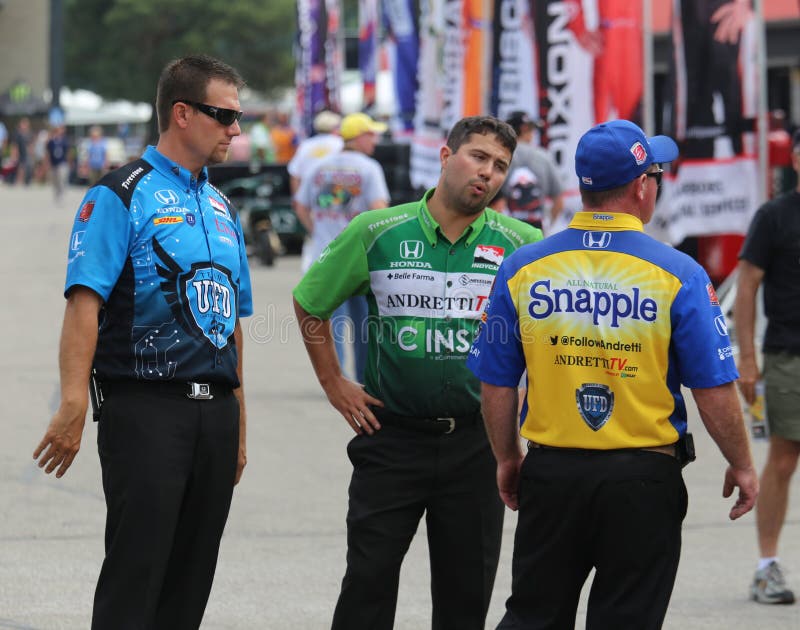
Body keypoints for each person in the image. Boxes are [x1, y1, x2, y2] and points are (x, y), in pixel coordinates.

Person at [468, 119, 759, 628]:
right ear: (641, 186)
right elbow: (713, 389)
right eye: (657, 176)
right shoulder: (679, 273)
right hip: (643, 479)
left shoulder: (522, 267)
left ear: (584, 186)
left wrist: (508, 458)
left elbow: (495, 382)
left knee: (533, 617)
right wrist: (741, 462)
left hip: (552, 472)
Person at [293, 115, 542, 629]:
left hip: (478, 446)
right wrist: (334, 382)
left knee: (465, 596)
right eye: (478, 156)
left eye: (500, 166)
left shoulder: (522, 242)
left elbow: (537, 340)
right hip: (391, 439)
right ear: (446, 157)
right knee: (367, 584)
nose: (487, 173)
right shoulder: (377, 230)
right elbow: (309, 303)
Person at [32, 54, 252, 630]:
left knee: (191, 578)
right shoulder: (120, 193)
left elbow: (232, 324)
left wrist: (240, 423)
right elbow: (84, 303)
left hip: (216, 415)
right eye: (224, 115)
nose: (236, 129)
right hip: (146, 409)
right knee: (138, 576)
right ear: (182, 114)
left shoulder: (222, 206)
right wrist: (73, 402)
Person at [735, 128, 800, 606]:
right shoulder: (774, 217)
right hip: (787, 357)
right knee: (782, 459)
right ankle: (766, 567)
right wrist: (748, 358)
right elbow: (748, 285)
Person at [295, 112, 390, 383]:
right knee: (364, 325)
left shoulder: (318, 168)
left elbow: (300, 205)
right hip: (361, 260)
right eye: (371, 134)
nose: (374, 140)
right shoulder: (370, 168)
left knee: (332, 323)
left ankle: (338, 378)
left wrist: (317, 231)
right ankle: (363, 378)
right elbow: (379, 211)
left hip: (326, 257)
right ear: (358, 137)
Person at [493, 111, 564, 233]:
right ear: (525, 129)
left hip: (505, 232)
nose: (532, 135)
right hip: (536, 232)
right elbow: (559, 201)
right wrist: (548, 227)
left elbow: (493, 203)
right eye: (532, 130)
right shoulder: (544, 157)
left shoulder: (499, 155)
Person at [287, 109, 343, 194]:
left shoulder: (305, 145)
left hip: (308, 196)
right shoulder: (340, 143)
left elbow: (295, 174)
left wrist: (297, 198)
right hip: (334, 197)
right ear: (335, 128)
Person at [46, 125, 70, 202]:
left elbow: (68, 152)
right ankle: (56, 193)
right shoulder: (51, 141)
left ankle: (61, 193)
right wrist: (47, 163)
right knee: (55, 180)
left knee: (62, 178)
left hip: (62, 162)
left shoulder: (65, 141)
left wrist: (69, 162)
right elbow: (48, 153)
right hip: (54, 163)